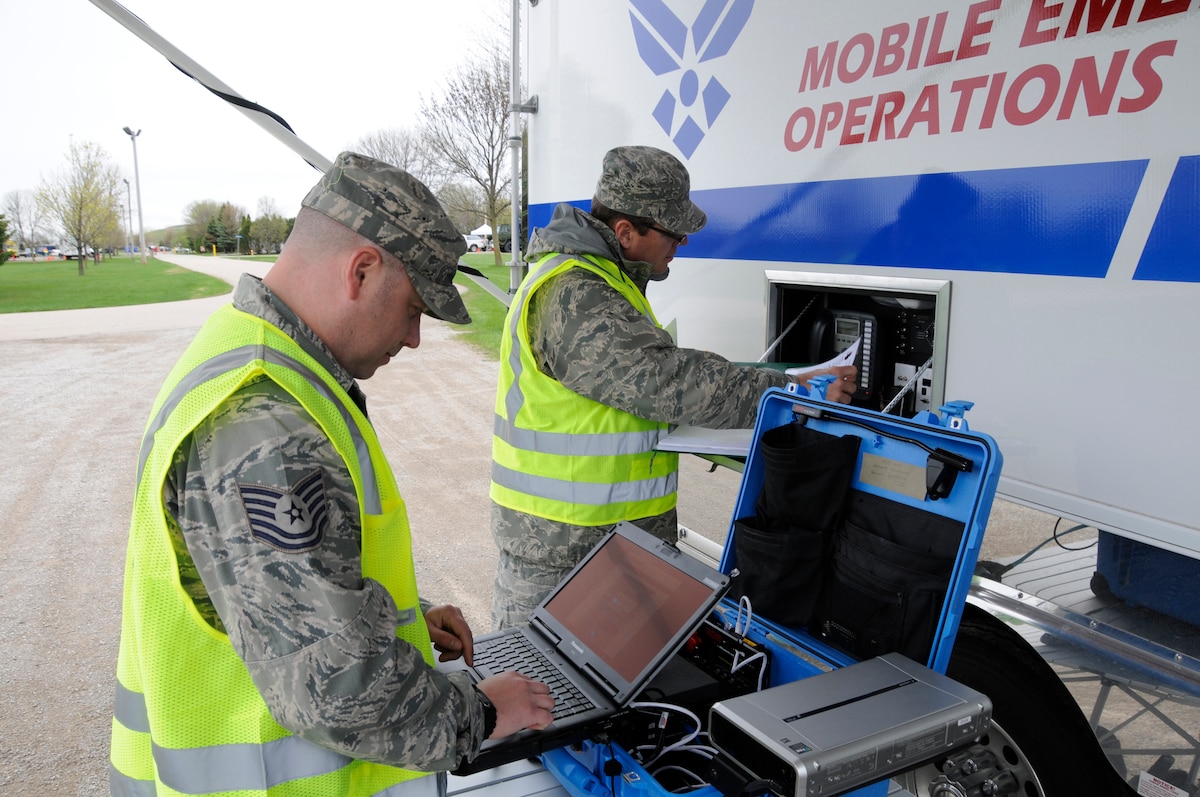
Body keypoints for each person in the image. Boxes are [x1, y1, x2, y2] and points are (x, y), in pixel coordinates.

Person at [109, 152, 554, 797]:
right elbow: (333, 688)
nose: (414, 338)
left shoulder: (248, 351)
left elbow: (262, 596)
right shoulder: (266, 423)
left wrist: (405, 621)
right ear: (362, 270)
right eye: (413, 309)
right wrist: (482, 712)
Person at [489, 145, 857, 630]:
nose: (681, 244)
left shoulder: (605, 281)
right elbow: (664, 381)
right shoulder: (574, 292)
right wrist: (792, 389)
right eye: (674, 233)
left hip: (603, 548)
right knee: (549, 698)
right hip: (565, 558)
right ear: (626, 232)